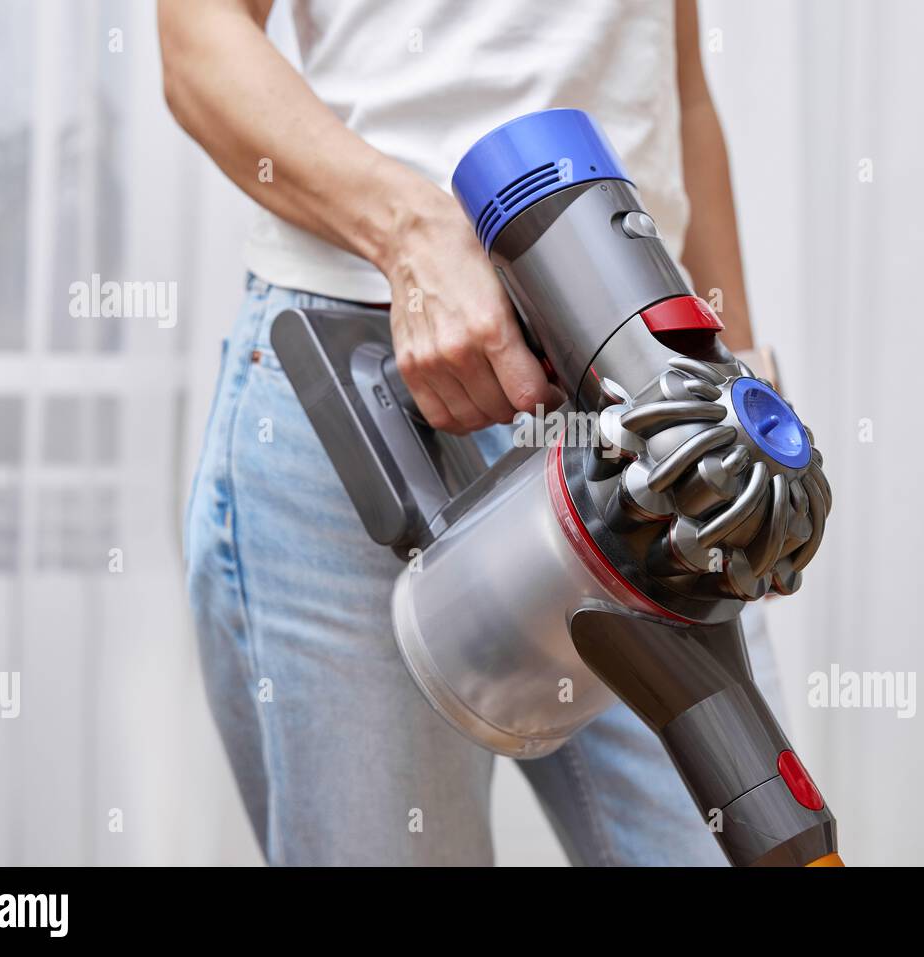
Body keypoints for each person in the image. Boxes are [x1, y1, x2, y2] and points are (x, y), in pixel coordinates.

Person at [161, 0, 773, 865]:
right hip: (365, 376)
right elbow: (197, 38)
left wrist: (734, 368)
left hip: (638, 398)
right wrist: (407, 231)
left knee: (742, 837)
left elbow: (680, 88)